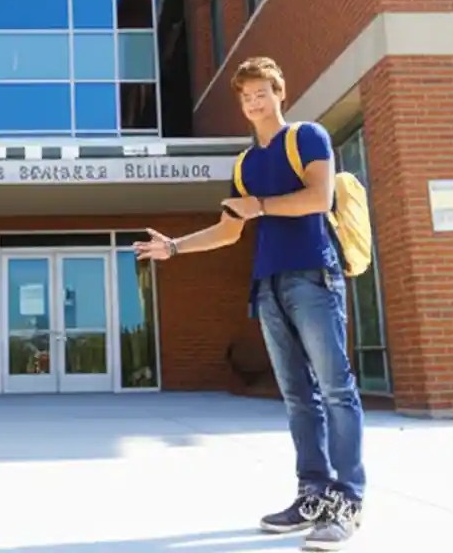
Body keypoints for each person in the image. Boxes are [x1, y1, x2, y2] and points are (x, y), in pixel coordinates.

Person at [134, 57, 365, 551]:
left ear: (279, 92)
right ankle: (313, 493)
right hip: (268, 285)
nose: (254, 102)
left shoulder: (307, 137)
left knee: (335, 389)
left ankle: (347, 500)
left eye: (262, 92)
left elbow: (319, 198)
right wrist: (174, 247)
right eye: (246, 96)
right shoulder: (244, 164)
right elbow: (228, 229)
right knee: (298, 397)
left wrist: (261, 206)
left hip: (314, 276)